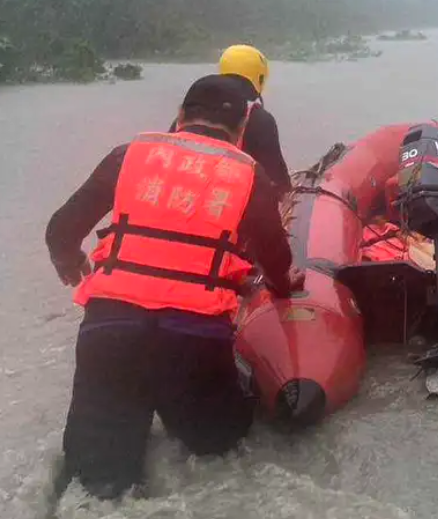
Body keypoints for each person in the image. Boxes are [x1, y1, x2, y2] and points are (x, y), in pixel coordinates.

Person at [46, 74, 303, 500]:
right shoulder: (248, 173)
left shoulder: (127, 155)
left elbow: (60, 230)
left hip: (109, 329)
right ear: (241, 129)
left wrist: (71, 262)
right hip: (193, 339)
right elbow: (277, 259)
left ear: (180, 116)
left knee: (98, 481)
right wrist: (280, 288)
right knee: (218, 444)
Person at [169, 44, 293, 195]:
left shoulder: (188, 115)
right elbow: (278, 181)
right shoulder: (260, 120)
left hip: (180, 194)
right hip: (227, 201)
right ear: (260, 78)